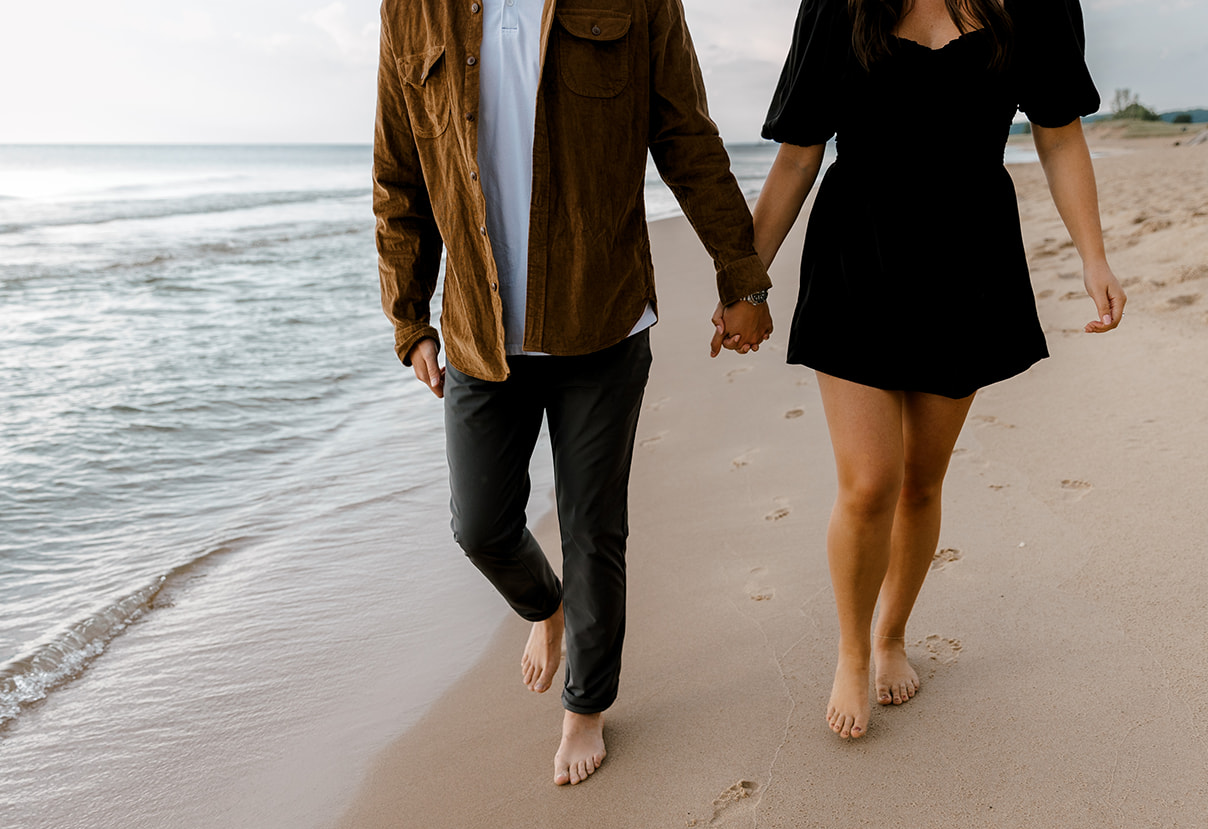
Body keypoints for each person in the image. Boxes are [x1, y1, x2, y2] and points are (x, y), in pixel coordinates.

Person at [374, 0, 773, 784]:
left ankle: (586, 705)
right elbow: (399, 174)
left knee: (594, 527)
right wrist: (410, 319)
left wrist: (742, 276)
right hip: (483, 330)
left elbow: (685, 134)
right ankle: (545, 609)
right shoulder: (411, 10)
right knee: (481, 527)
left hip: (605, 317)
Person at [747, 0, 1125, 739]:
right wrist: (745, 281)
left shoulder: (1033, 4)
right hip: (859, 251)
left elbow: (1058, 135)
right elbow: (798, 152)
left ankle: (892, 634)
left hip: (967, 261)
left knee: (921, 479)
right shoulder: (839, 4)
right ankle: (853, 651)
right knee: (868, 482)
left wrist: (1093, 256)